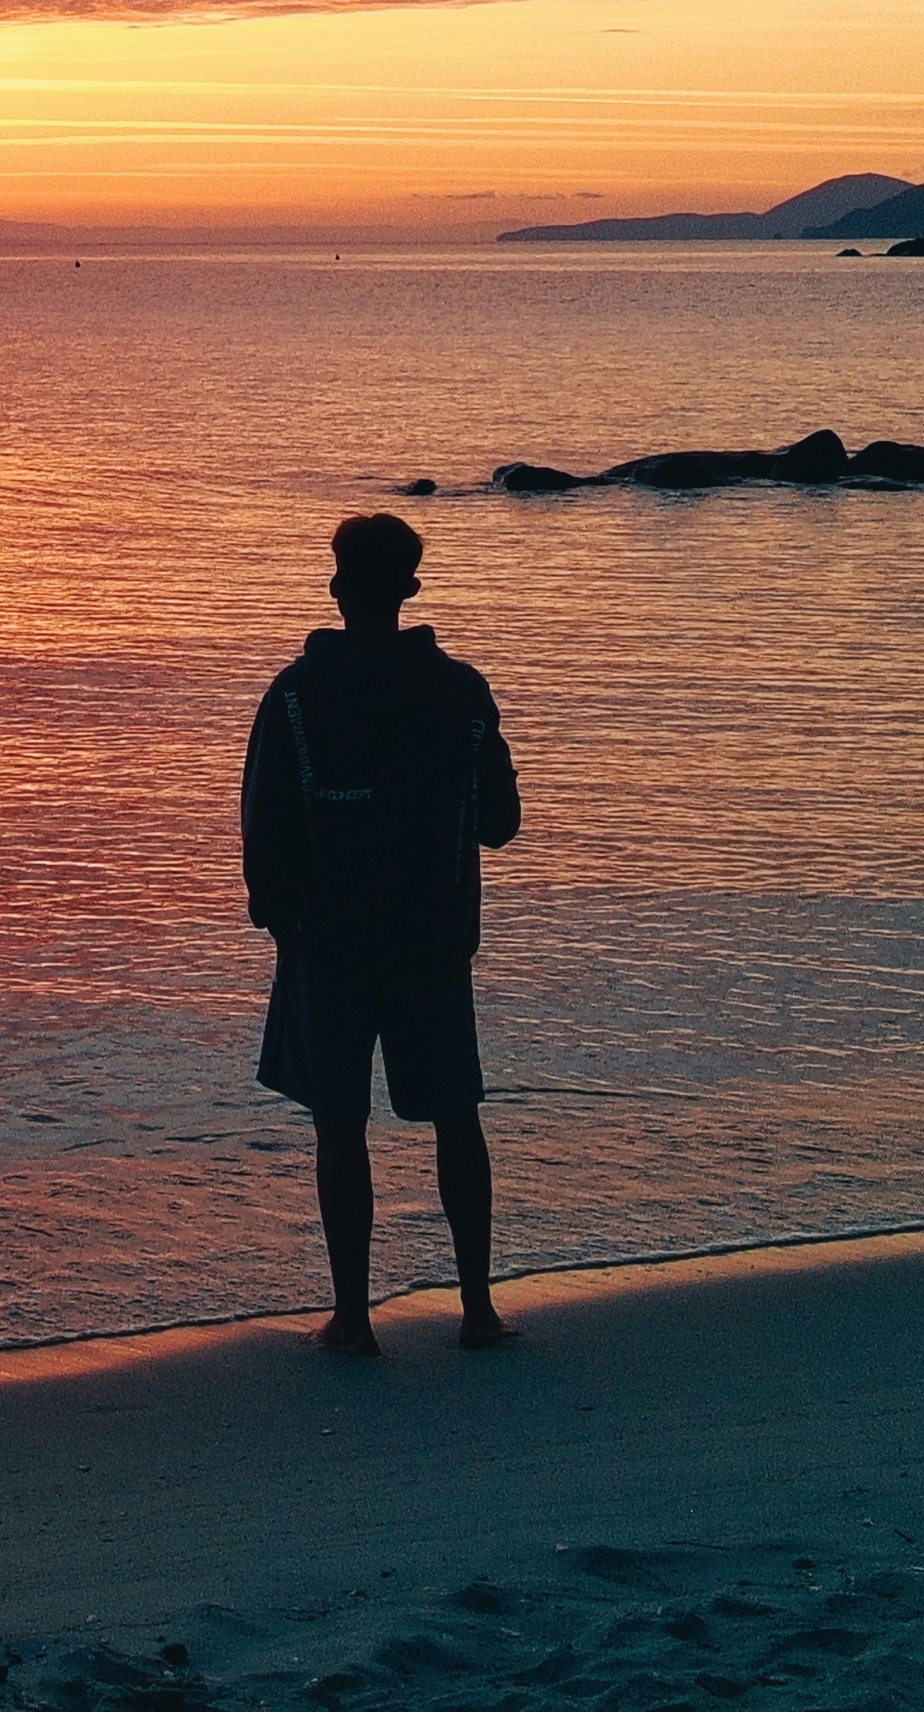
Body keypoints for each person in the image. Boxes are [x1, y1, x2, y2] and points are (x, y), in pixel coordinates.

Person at [242, 511, 523, 1355]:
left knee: (339, 1121)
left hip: (327, 939)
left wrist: (276, 916)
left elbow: (265, 829)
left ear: (336, 587)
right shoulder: (462, 692)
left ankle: (354, 1318)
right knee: (454, 1114)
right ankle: (476, 1309)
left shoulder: (295, 695)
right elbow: (501, 822)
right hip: (432, 937)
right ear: (410, 589)